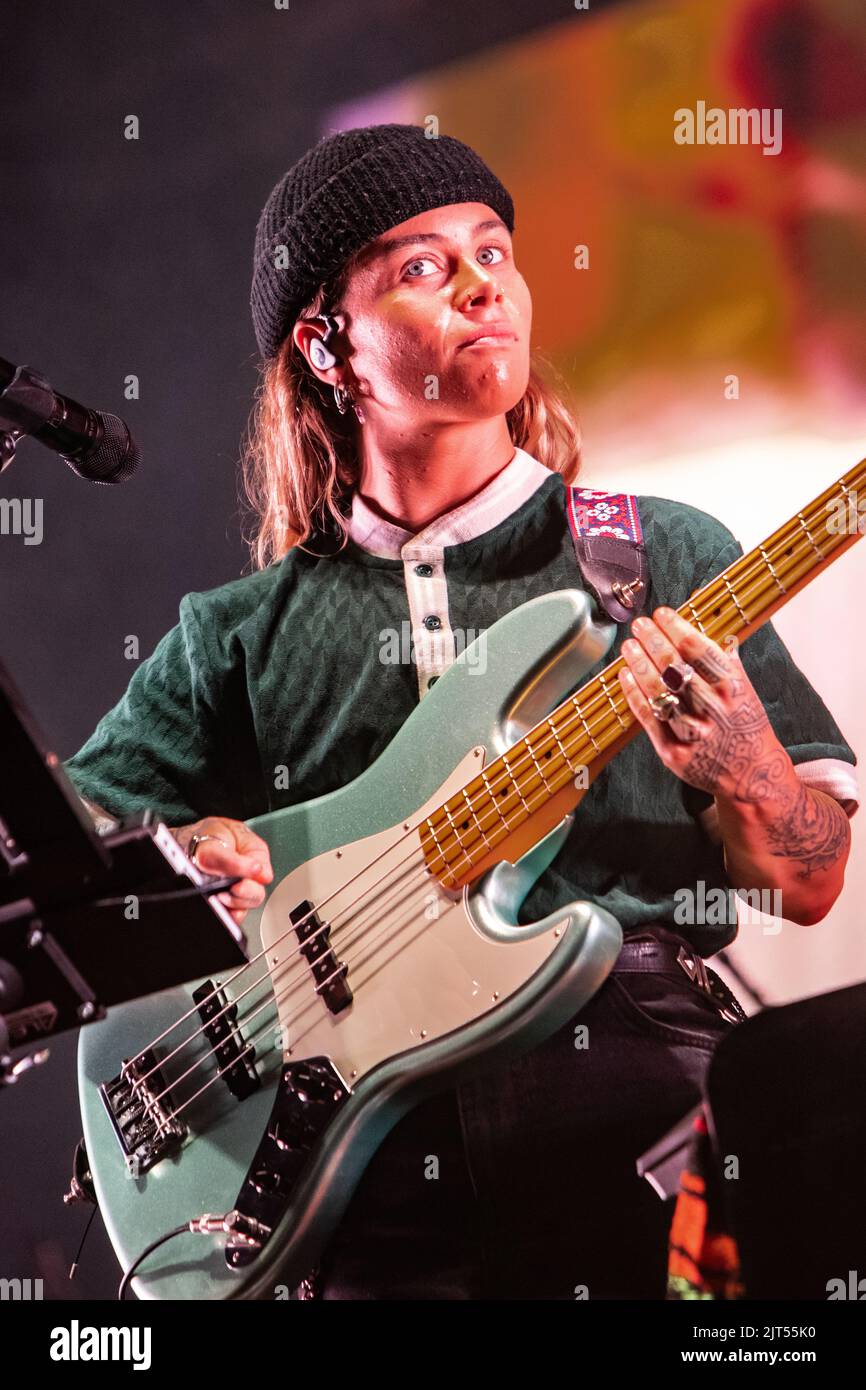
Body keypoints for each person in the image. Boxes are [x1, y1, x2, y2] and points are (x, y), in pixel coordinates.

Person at [65, 124, 858, 1300]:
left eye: (495, 249)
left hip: (631, 1103)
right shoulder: (231, 633)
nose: (484, 282)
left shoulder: (658, 550)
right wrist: (181, 860)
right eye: (422, 266)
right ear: (324, 346)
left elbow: (804, 878)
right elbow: (59, 853)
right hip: (355, 1164)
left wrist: (751, 770)